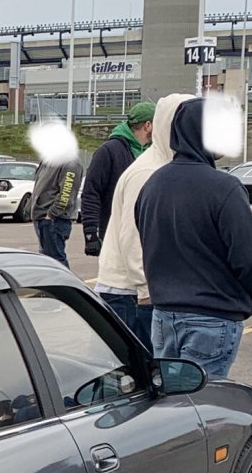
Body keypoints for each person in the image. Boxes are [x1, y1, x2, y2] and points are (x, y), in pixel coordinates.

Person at [134, 98, 252, 379]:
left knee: (172, 404)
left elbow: (147, 240)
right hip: (212, 314)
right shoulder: (224, 187)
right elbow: (251, 257)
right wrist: (242, 298)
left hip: (164, 313)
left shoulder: (153, 184)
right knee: (204, 408)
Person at [95, 94, 193, 351]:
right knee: (139, 375)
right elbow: (132, 235)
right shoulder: (147, 172)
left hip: (142, 291)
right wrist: (146, 288)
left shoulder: (164, 166)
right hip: (129, 294)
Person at [81, 101, 154, 256]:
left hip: (145, 236)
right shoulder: (108, 152)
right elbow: (91, 193)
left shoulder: (153, 152)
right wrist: (91, 233)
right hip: (115, 235)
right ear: (148, 125)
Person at [32, 142, 83, 267]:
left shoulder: (70, 163)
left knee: (56, 262)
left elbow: (67, 192)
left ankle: (66, 286)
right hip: (42, 218)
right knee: (47, 262)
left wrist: (52, 214)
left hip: (54, 220)